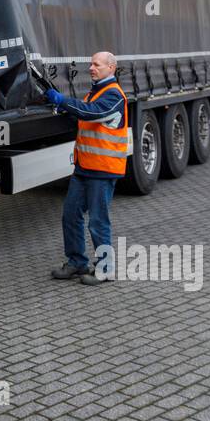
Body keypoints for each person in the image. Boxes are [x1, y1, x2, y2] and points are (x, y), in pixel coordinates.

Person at [44, 51, 129, 286]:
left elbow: (92, 112)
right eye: (91, 64)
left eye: (97, 64)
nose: (91, 68)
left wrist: (63, 101)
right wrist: (68, 109)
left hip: (103, 169)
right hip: (85, 167)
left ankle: (105, 269)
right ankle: (77, 263)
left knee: (98, 221)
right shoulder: (96, 91)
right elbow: (85, 115)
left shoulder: (114, 95)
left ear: (111, 68)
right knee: (71, 215)